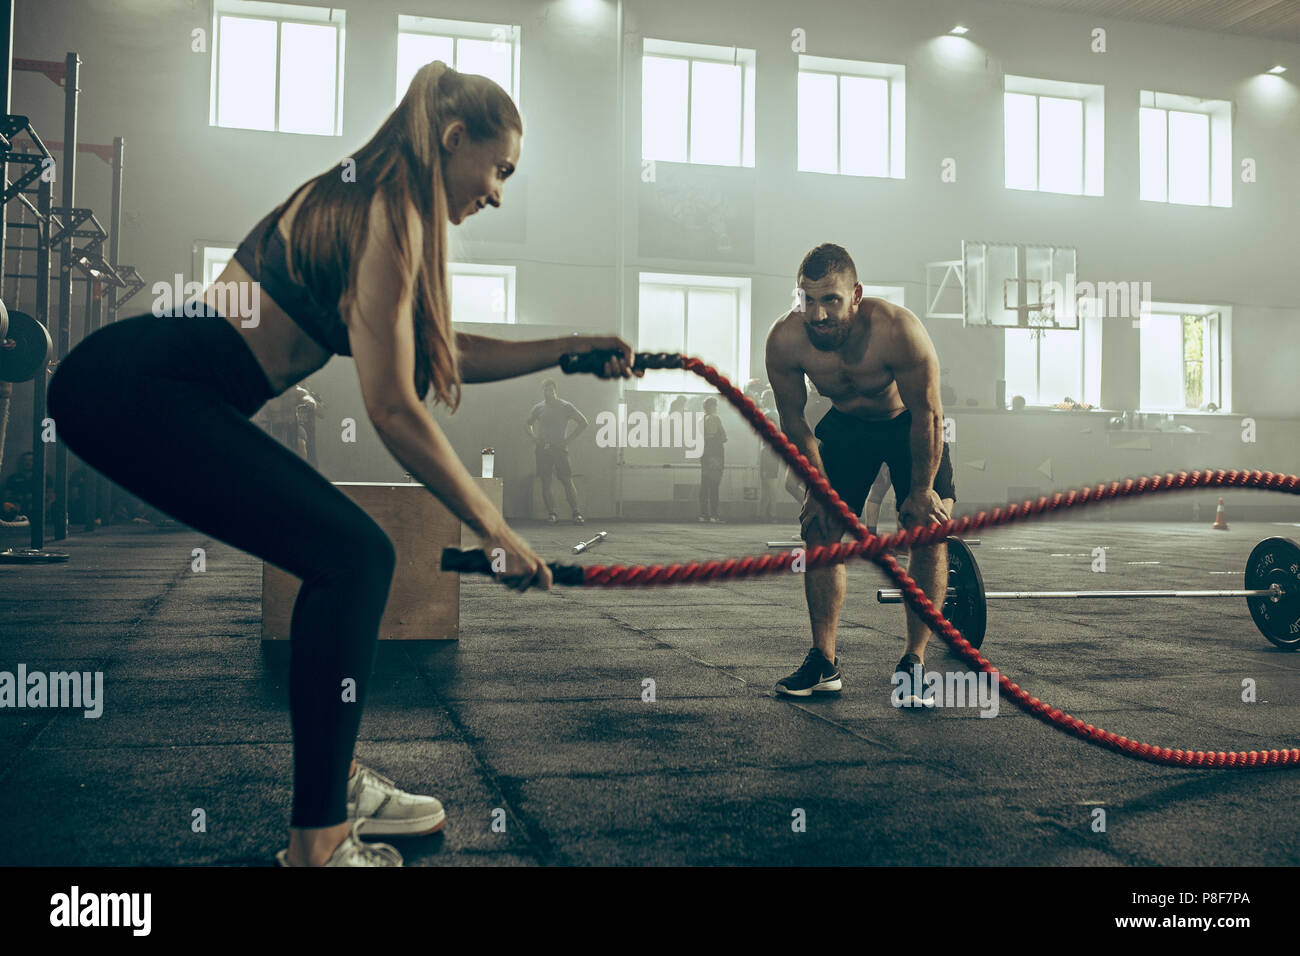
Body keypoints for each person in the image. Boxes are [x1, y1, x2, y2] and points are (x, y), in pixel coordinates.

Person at [47, 62, 640, 867]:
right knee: (355, 554)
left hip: (138, 384)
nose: (498, 192)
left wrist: (567, 348)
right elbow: (394, 406)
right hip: (142, 388)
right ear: (455, 139)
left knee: (345, 556)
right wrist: (493, 526)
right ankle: (318, 842)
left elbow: (438, 351)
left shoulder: (378, 201)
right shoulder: (388, 212)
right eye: (499, 170)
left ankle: (335, 783)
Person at [765, 243, 956, 705]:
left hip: (909, 425)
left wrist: (922, 490)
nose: (819, 314)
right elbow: (795, 423)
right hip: (847, 425)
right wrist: (817, 488)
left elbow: (927, 416)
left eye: (830, 299)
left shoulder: (897, 330)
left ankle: (913, 662)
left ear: (856, 295)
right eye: (808, 300)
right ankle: (823, 662)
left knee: (926, 532)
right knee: (820, 531)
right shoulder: (786, 340)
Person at [524, 379, 587, 524]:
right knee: (546, 481)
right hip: (543, 450)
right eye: (546, 390)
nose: (548, 393)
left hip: (559, 449)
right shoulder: (538, 408)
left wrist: (567, 441)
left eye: (551, 390)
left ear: (555, 391)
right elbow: (527, 425)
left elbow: (584, 422)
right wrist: (535, 439)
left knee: (567, 480)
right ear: (543, 392)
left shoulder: (565, 406)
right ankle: (552, 514)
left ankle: (576, 513)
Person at [699, 396, 726, 522]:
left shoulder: (701, 420)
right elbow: (723, 437)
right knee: (714, 485)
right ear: (711, 406)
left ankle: (704, 514)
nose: (716, 408)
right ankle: (714, 515)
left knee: (705, 485)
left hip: (705, 455)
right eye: (715, 405)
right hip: (715, 455)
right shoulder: (715, 418)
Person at [757, 388, 781, 522]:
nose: (762, 399)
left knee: (769, 484)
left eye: (764, 397)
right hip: (769, 451)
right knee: (767, 484)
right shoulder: (771, 414)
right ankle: (766, 514)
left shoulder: (771, 415)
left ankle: (770, 514)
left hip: (769, 451)